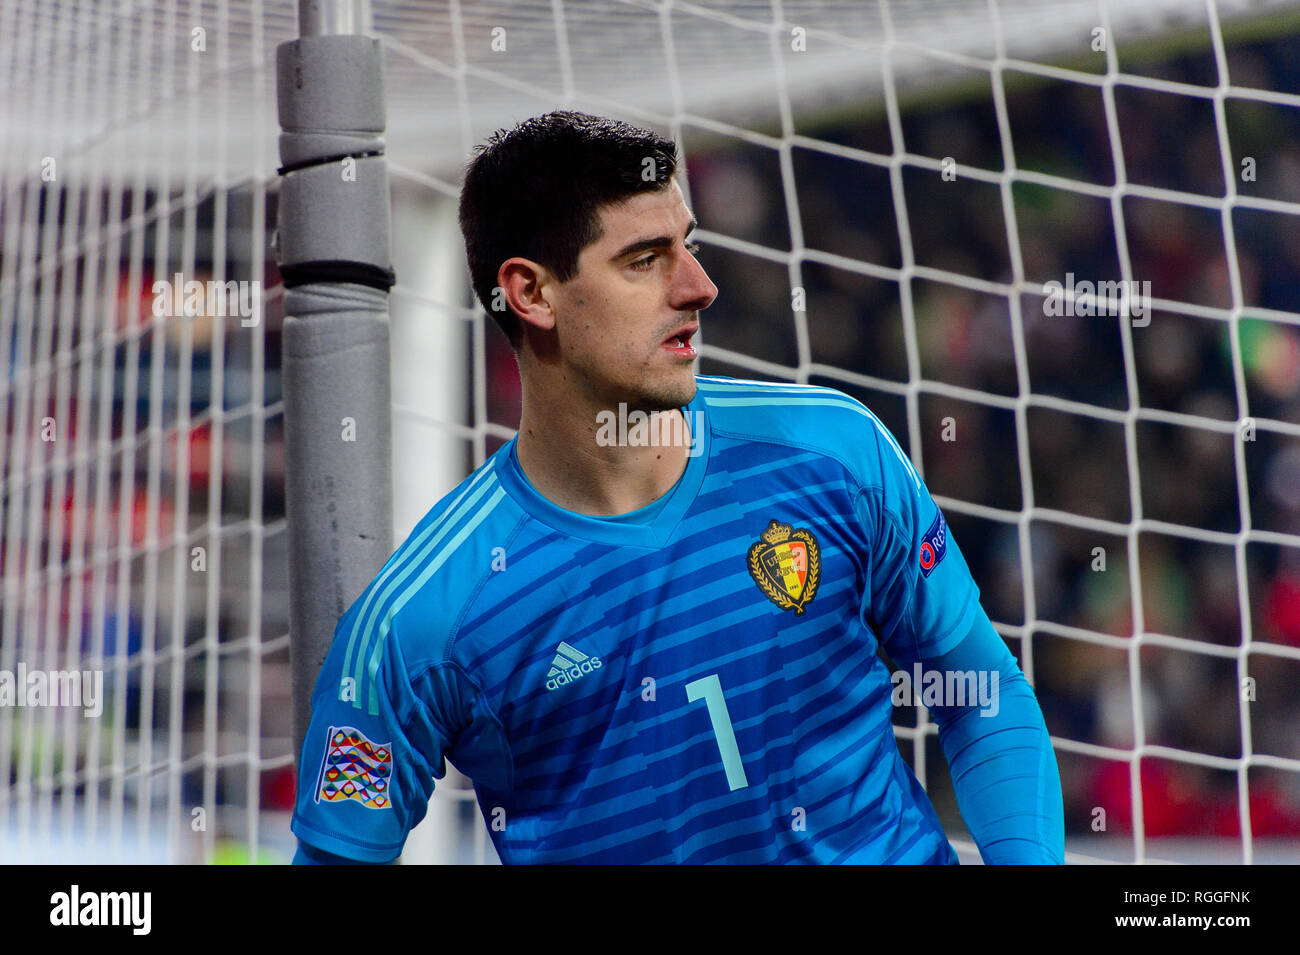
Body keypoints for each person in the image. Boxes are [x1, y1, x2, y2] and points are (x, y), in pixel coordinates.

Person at [291, 110, 1064, 864]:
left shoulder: (834, 451)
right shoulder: (426, 615)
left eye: (687, 245)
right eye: (645, 259)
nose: (699, 286)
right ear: (531, 293)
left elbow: (980, 691)